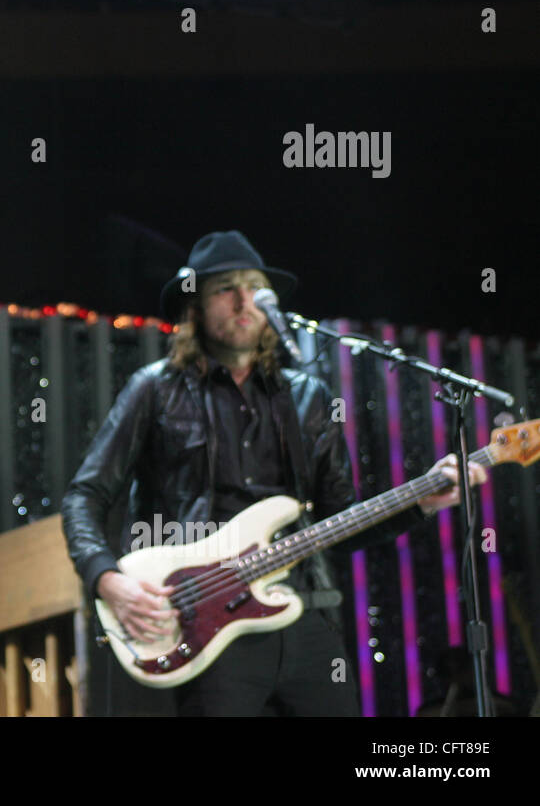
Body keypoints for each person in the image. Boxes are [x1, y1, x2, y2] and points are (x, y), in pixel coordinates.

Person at [61, 230, 485, 716]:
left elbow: (341, 522)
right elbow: (84, 496)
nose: (245, 301)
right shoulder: (155, 389)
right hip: (206, 622)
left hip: (306, 612)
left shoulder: (308, 397)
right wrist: (106, 578)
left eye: (256, 288)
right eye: (226, 288)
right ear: (195, 308)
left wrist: (422, 501)